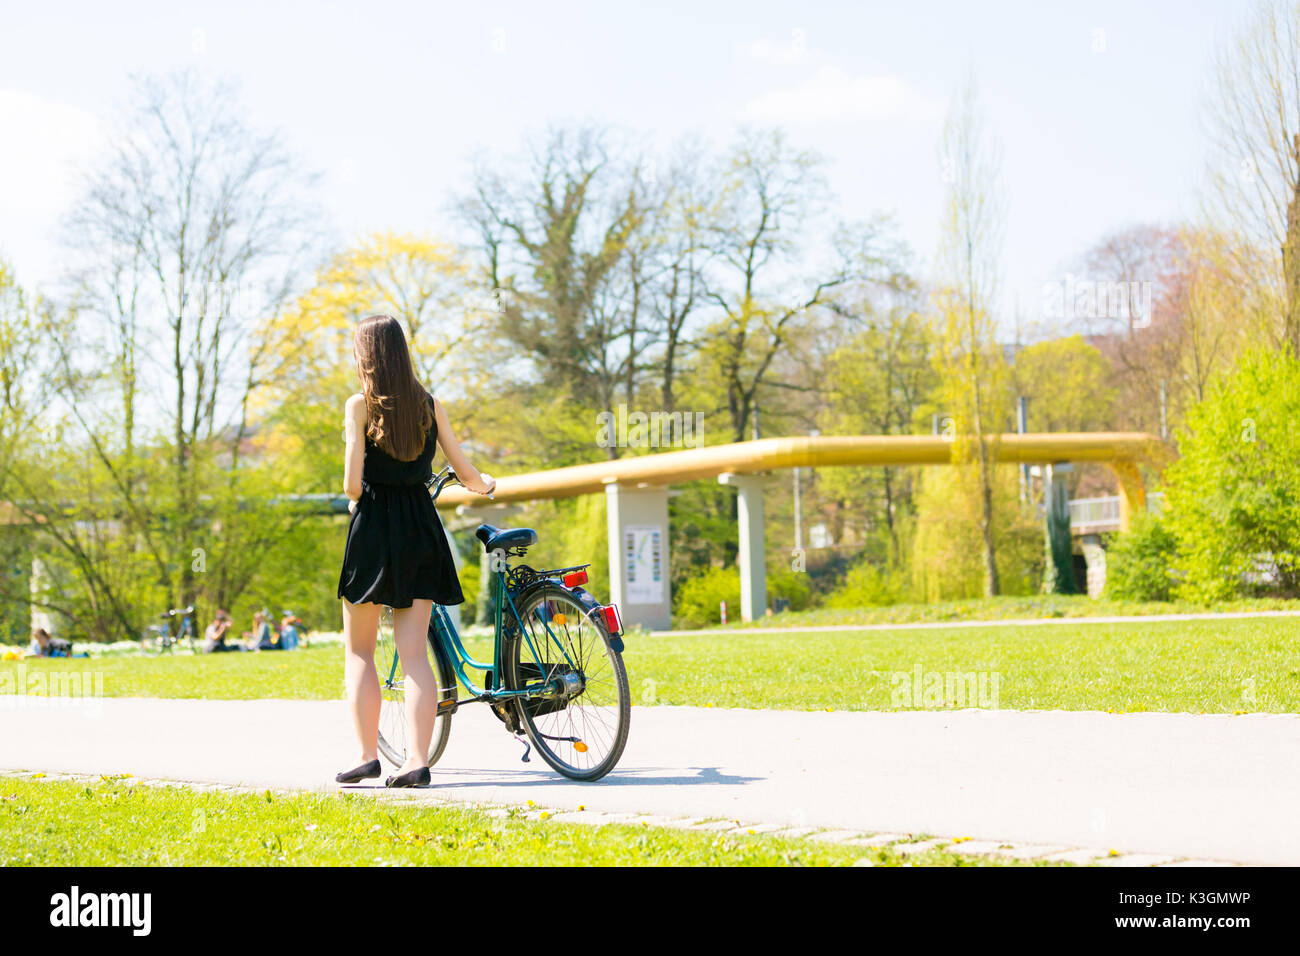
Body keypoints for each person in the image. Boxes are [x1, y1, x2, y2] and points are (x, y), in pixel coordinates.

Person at [334, 314, 495, 789]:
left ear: (366, 356)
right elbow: (466, 472)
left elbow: (351, 483)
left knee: (360, 651)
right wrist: (484, 484)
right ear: (401, 352)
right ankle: (417, 760)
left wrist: (355, 496)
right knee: (415, 655)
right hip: (421, 529)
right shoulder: (429, 405)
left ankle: (367, 755)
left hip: (374, 531)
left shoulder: (359, 406)